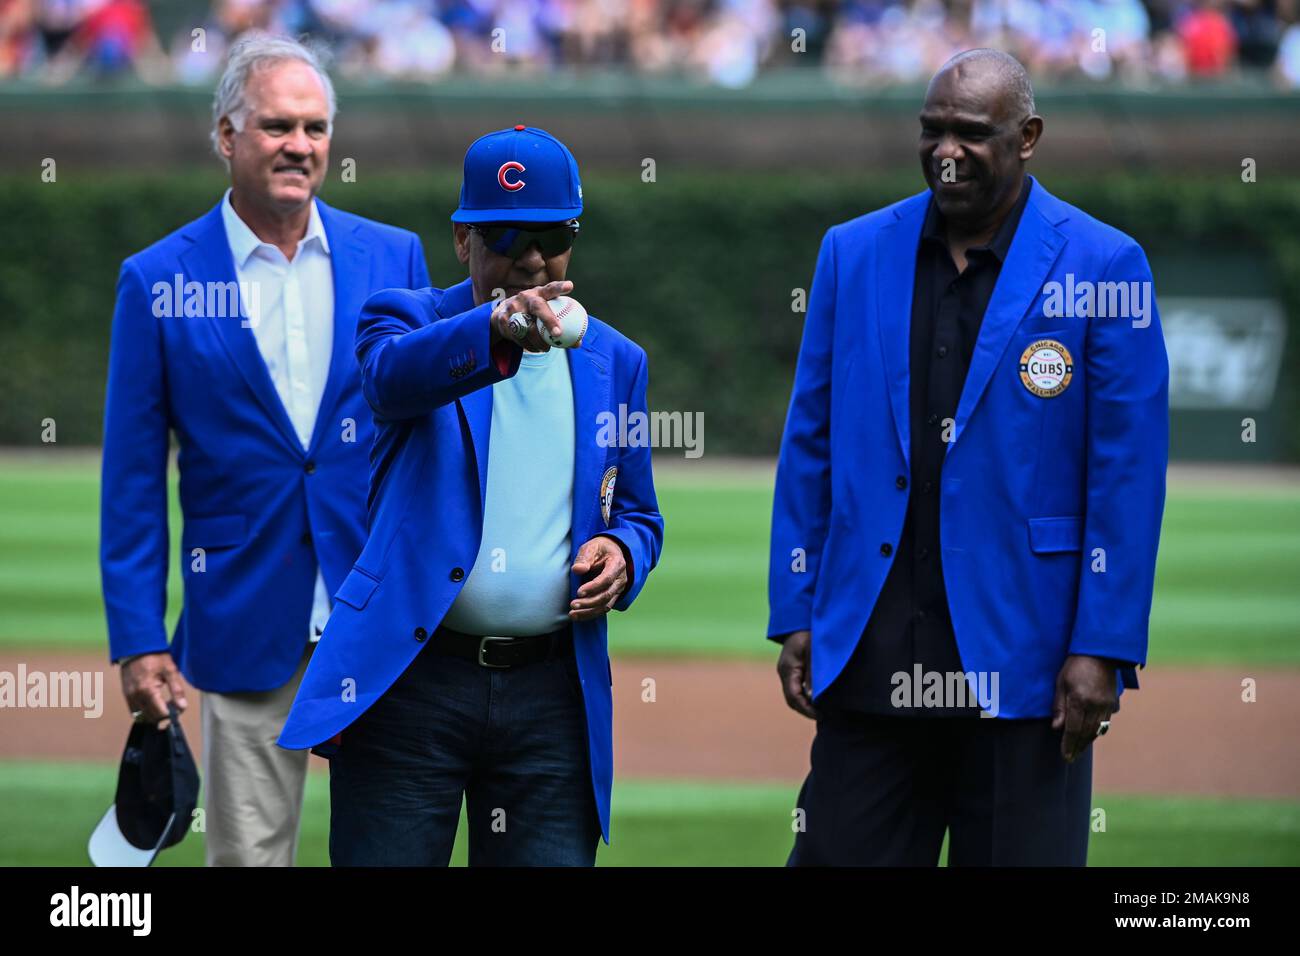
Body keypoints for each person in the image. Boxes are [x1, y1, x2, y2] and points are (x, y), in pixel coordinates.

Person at [768, 49, 1168, 866]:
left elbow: (1126, 477)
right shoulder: (852, 252)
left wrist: (1103, 647)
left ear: (1028, 137)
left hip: (1024, 671)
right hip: (872, 662)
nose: (946, 149)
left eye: (971, 133)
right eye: (932, 129)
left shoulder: (1104, 265)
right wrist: (797, 610)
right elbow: (809, 441)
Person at [278, 125, 664, 867]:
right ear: (462, 240)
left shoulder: (617, 360)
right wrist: (493, 328)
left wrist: (623, 552)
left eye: (551, 235)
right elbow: (392, 381)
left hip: (552, 693)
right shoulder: (406, 318)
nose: (529, 257)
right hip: (412, 681)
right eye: (504, 235)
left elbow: (639, 512)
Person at [100, 34, 431, 866]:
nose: (300, 146)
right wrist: (138, 638)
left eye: (316, 128)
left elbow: (425, 446)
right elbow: (134, 476)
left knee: (393, 854)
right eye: (278, 126)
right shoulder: (156, 279)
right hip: (245, 616)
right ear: (226, 136)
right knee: (249, 859)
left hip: (377, 617)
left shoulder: (393, 258)